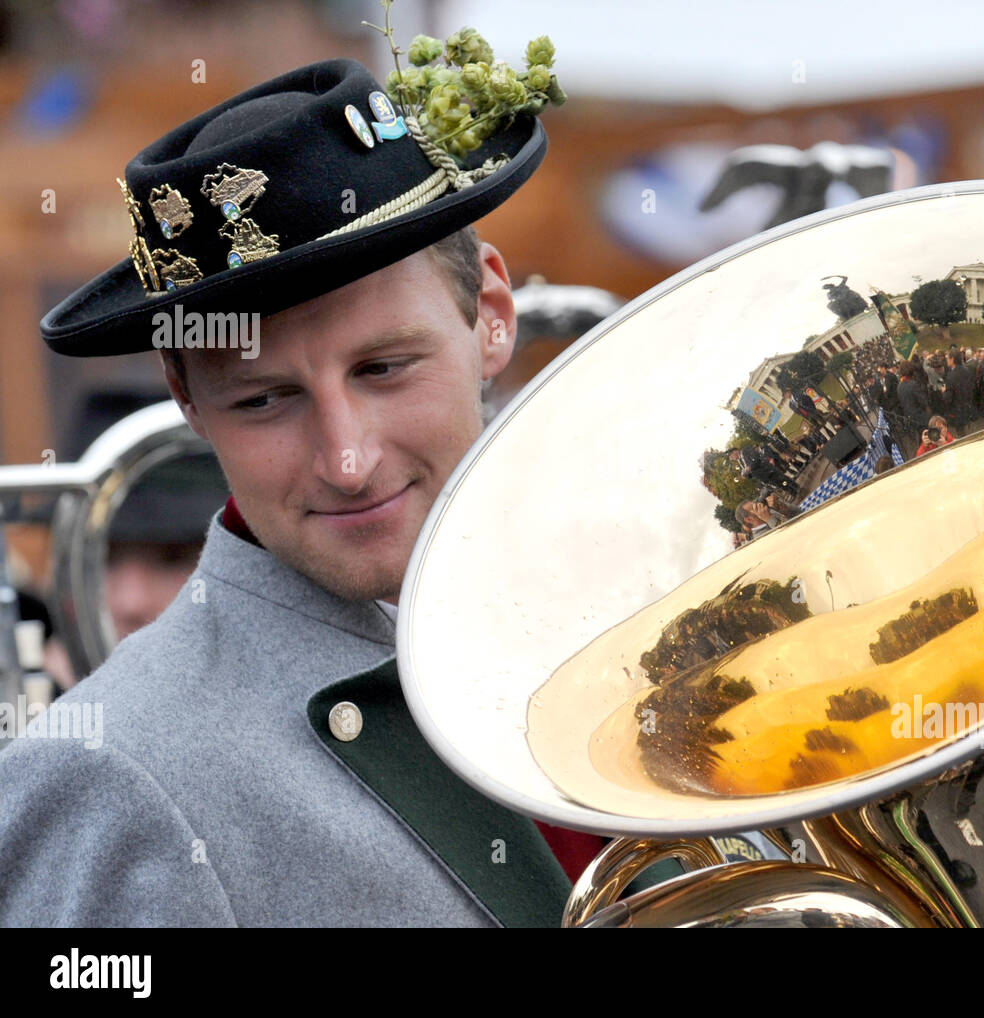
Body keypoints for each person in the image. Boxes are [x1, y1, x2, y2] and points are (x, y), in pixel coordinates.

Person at [0, 58, 584, 927]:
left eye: (385, 368)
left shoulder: (634, 597)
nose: (346, 460)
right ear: (186, 396)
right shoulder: (111, 772)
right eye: (265, 399)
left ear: (492, 313)